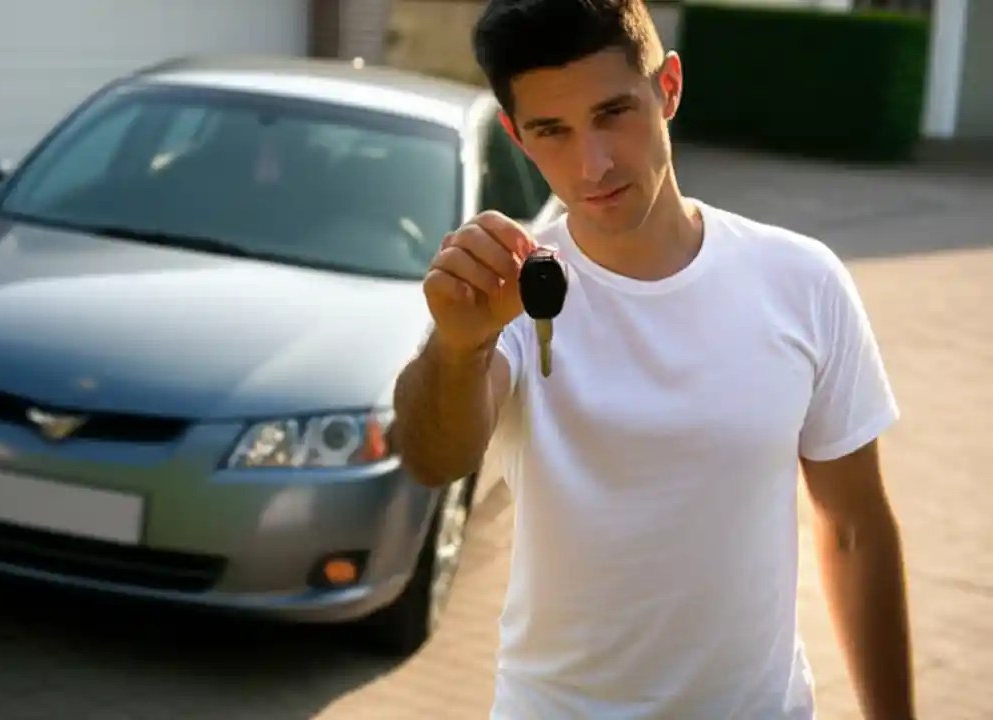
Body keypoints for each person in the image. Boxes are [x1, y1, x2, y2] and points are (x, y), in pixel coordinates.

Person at [389, 1, 915, 717]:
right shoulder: (512, 293)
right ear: (516, 134)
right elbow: (433, 457)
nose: (593, 163)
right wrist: (457, 347)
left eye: (614, 113)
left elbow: (854, 528)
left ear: (667, 87)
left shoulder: (803, 280)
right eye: (553, 131)